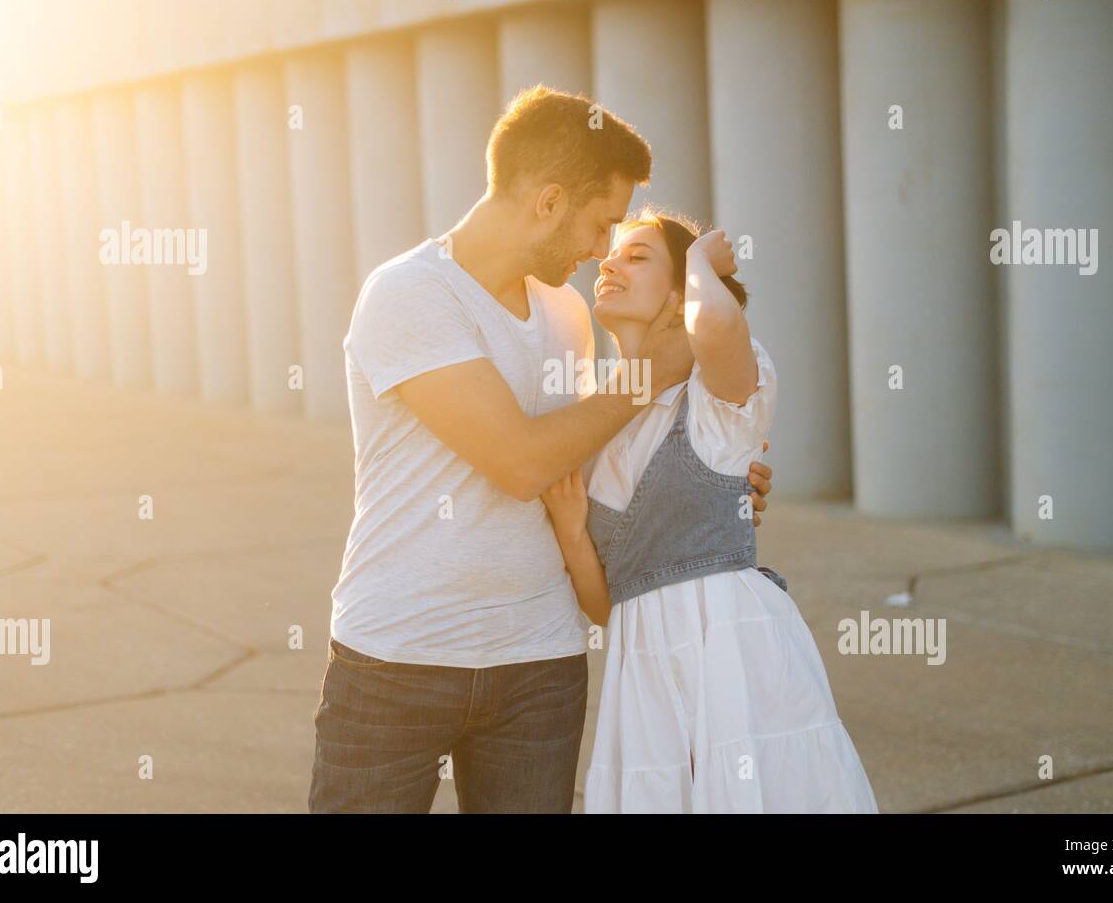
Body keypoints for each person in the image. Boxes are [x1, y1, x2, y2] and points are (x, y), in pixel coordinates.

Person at [308, 86, 774, 813]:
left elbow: (579, 457)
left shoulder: (563, 312)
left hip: (540, 663)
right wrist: (653, 372)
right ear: (549, 201)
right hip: (399, 659)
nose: (600, 251)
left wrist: (704, 484)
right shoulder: (409, 294)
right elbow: (523, 462)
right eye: (599, 225)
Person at [541, 209, 879, 813]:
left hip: (730, 650)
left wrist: (700, 261)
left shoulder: (714, 396)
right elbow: (607, 603)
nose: (610, 262)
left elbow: (718, 327)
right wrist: (571, 532)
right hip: (641, 674)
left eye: (638, 256)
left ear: (679, 297)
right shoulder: (599, 419)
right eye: (611, 255)